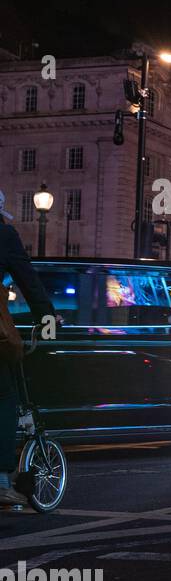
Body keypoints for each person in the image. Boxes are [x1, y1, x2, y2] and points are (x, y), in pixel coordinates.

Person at [0, 189, 56, 509]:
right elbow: (28, 280)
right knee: (5, 396)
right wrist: (47, 317)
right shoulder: (4, 234)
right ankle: (1, 482)